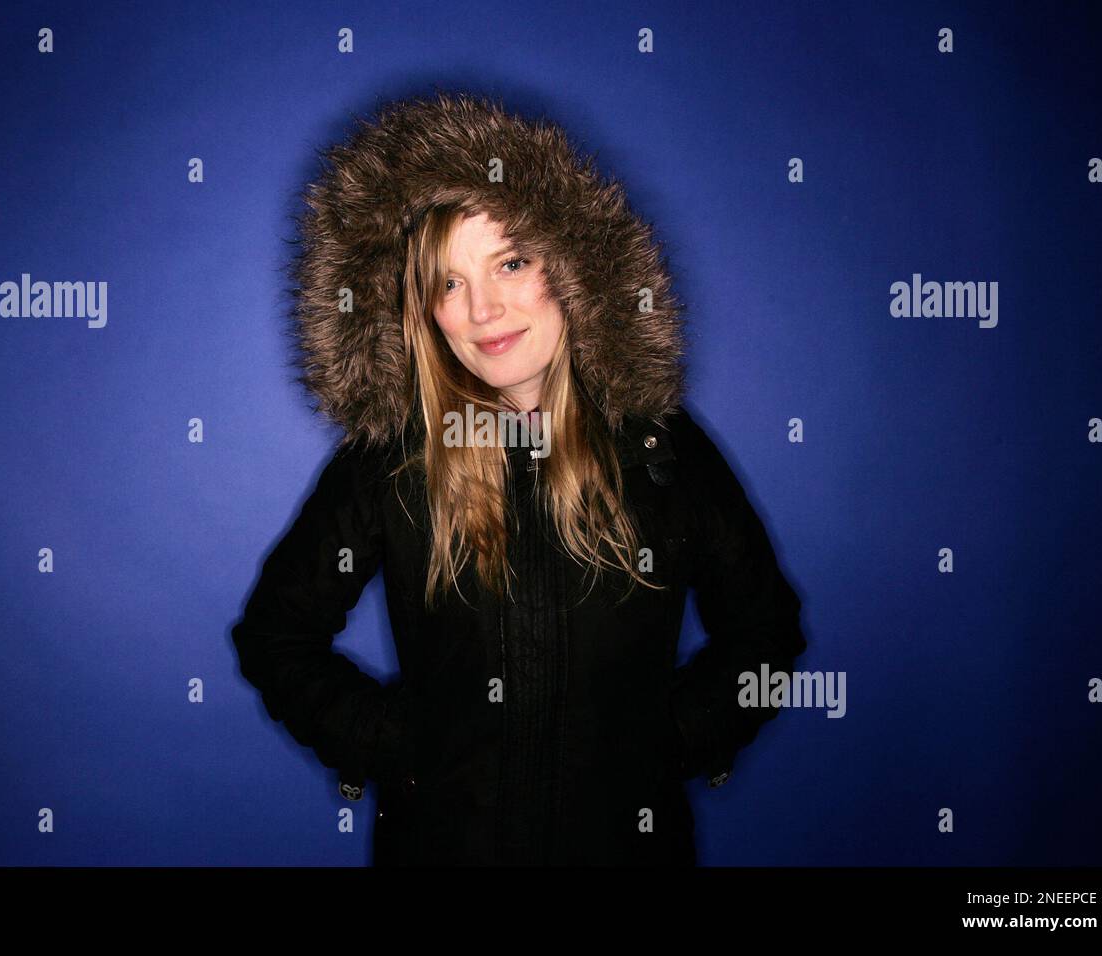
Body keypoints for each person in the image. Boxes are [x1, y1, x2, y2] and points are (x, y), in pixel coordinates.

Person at [230, 90, 807, 866]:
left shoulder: (661, 447)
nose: (484, 309)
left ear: (570, 267)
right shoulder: (392, 458)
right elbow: (275, 636)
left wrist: (664, 745)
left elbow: (766, 637)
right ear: (420, 309)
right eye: (449, 282)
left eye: (510, 261)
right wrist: (403, 750)